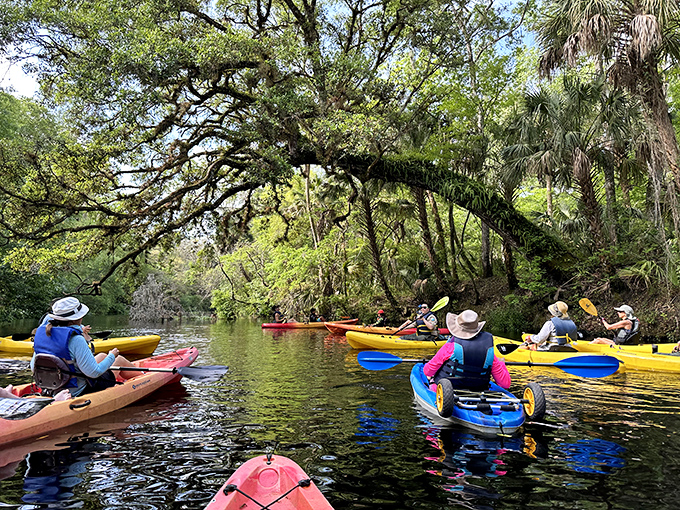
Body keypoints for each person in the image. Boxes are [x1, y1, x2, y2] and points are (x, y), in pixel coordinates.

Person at [30, 297, 137, 397]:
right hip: (78, 391)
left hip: (51, 388)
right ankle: (146, 379)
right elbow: (94, 372)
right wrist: (112, 356)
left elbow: (33, 366)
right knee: (118, 360)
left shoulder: (44, 335)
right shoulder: (76, 340)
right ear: (78, 318)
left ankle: (144, 378)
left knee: (102, 356)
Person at [424, 310, 510, 391]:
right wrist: (501, 363)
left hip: (447, 392)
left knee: (431, 377)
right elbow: (505, 384)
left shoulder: (450, 347)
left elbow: (427, 371)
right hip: (478, 391)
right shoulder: (489, 352)